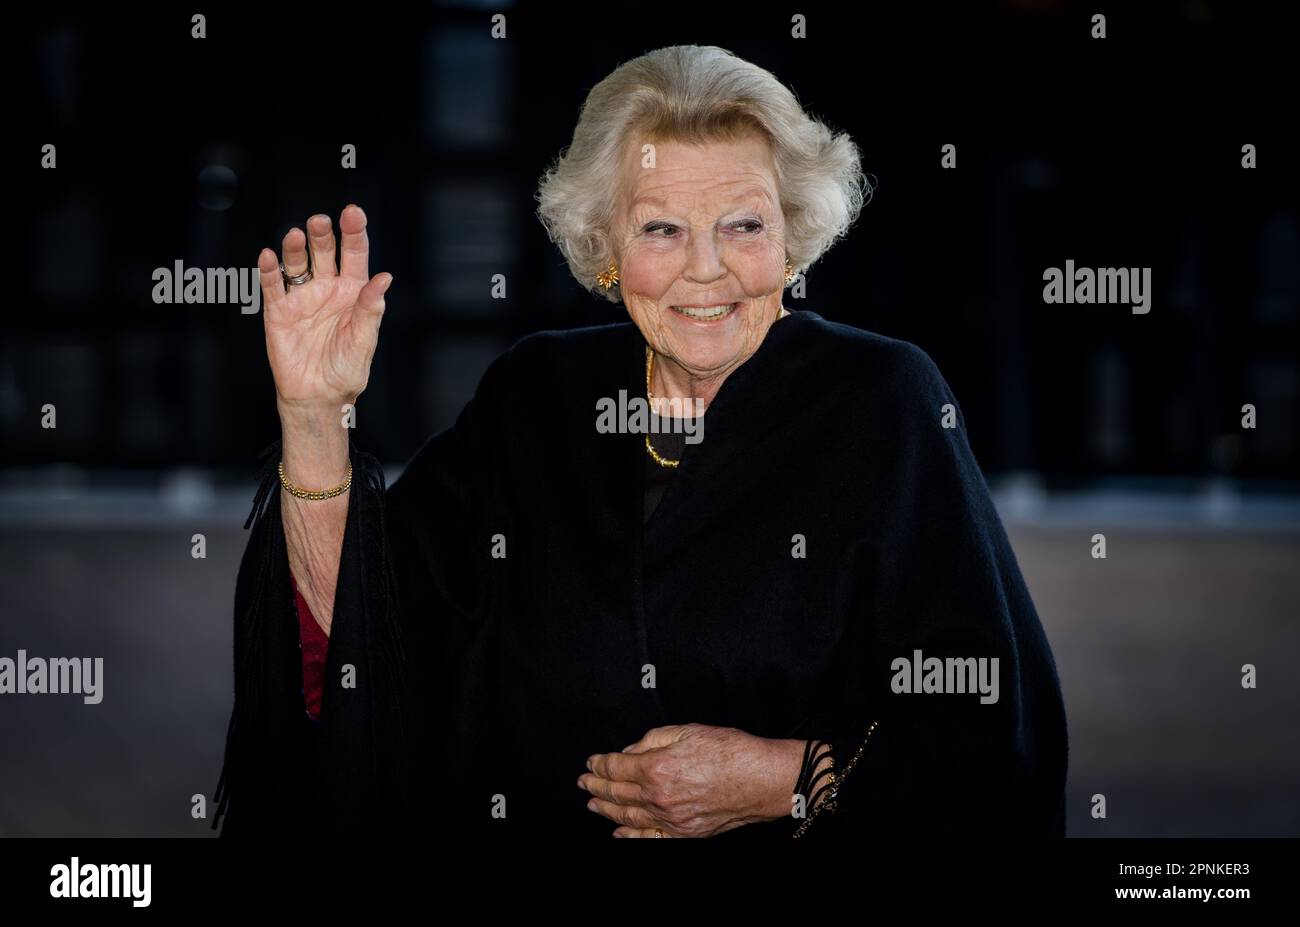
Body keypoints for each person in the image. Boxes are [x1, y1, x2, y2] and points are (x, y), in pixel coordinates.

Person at [214, 45, 1068, 840]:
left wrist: (786, 778)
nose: (707, 269)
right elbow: (367, 655)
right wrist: (316, 413)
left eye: (743, 225)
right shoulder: (535, 396)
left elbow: (992, 736)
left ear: (793, 238)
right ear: (607, 248)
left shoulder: (885, 402)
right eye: (662, 229)